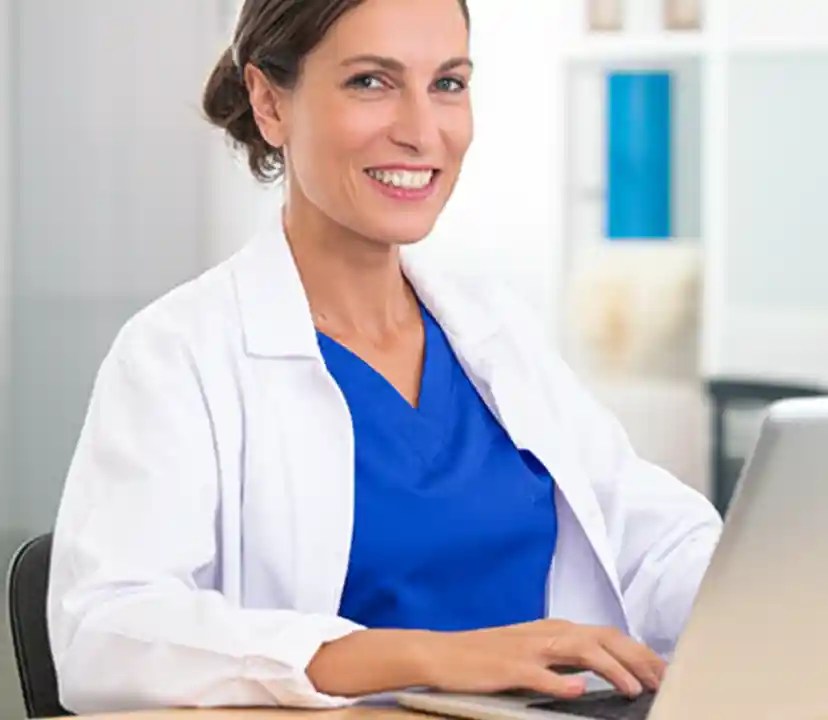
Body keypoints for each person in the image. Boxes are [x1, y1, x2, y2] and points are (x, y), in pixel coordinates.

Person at [45, 0, 722, 713]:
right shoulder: (179, 353)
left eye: (448, 83)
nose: (421, 131)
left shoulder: (494, 330)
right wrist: (433, 656)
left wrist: (774, 595)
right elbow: (106, 632)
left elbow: (650, 538)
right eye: (371, 81)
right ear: (270, 103)